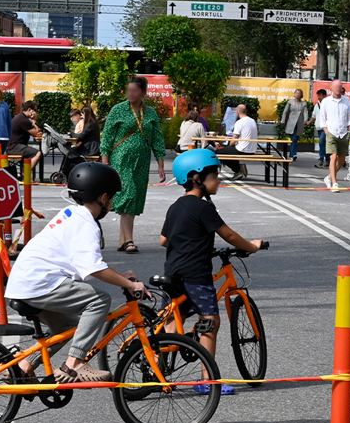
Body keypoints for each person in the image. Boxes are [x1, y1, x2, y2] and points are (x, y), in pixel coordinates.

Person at [4, 162, 148, 384]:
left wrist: (121, 276)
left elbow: (89, 262)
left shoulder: (71, 213)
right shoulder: (86, 223)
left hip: (26, 282)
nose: (111, 203)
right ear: (102, 197)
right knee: (99, 300)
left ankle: (24, 366)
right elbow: (93, 267)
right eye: (111, 198)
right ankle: (74, 365)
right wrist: (129, 284)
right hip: (39, 283)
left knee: (69, 327)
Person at [163, 148, 264, 394]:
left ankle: (158, 369)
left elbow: (164, 240)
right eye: (214, 175)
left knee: (173, 318)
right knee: (210, 320)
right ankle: (206, 380)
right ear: (197, 177)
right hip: (196, 274)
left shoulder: (175, 206)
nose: (218, 180)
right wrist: (252, 246)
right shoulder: (204, 208)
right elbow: (229, 235)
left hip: (173, 271)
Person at [101, 76, 167, 254]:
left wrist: (160, 164)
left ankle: (122, 240)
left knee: (135, 198)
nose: (131, 94)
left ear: (143, 92)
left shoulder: (150, 113)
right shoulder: (118, 110)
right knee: (128, 194)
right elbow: (107, 137)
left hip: (142, 161)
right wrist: (105, 163)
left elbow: (157, 139)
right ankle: (129, 240)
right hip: (121, 159)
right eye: (129, 90)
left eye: (135, 91)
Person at [317, 80, 350, 191]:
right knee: (333, 156)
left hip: (343, 132)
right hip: (331, 131)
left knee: (342, 160)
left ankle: (328, 177)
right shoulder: (326, 101)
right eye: (336, 87)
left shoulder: (347, 100)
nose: (338, 89)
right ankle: (334, 183)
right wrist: (326, 130)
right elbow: (322, 117)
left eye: (340, 87)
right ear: (331, 88)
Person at [215, 103, 258, 179]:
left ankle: (237, 170)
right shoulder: (252, 121)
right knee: (228, 151)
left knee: (219, 151)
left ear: (237, 112)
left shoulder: (239, 122)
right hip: (252, 150)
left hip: (242, 149)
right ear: (246, 111)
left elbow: (234, 140)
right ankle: (239, 167)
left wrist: (229, 145)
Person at [7, 100, 43, 167]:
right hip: (14, 147)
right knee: (38, 153)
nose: (36, 112)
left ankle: (24, 170)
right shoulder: (23, 120)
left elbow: (37, 132)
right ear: (29, 110)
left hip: (12, 146)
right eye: (35, 110)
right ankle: (25, 172)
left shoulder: (21, 117)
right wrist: (34, 120)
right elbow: (36, 133)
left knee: (32, 153)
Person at [280, 89, 308, 160]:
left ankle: (292, 154)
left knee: (295, 139)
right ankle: (293, 154)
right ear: (294, 94)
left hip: (299, 124)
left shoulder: (304, 104)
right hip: (291, 123)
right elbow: (285, 112)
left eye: (299, 93)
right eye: (296, 93)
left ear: (301, 95)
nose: (297, 94)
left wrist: (305, 120)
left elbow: (305, 112)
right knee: (294, 139)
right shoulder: (290, 102)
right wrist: (283, 121)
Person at [313, 88, 330, 168]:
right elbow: (314, 116)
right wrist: (309, 122)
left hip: (326, 127)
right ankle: (327, 160)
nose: (319, 97)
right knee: (323, 144)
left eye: (320, 95)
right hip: (319, 127)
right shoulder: (317, 105)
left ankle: (321, 160)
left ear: (325, 96)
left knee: (321, 142)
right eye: (318, 96)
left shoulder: (328, 104)